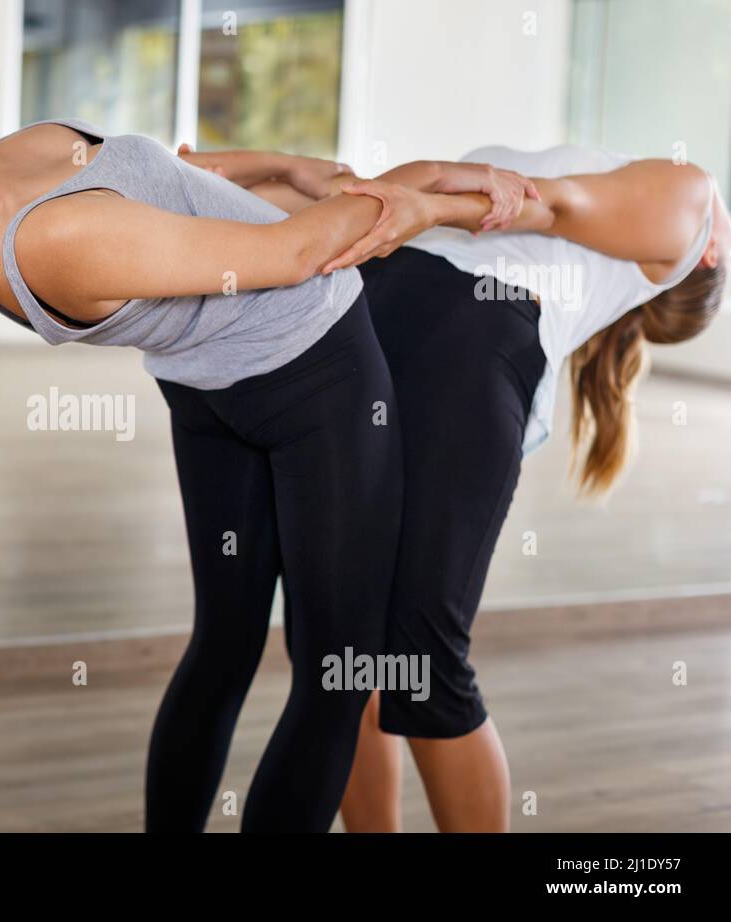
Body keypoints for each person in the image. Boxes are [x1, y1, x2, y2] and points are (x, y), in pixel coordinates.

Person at [0, 118, 533, 831]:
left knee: (226, 646)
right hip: (313, 374)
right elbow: (296, 254)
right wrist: (443, 205)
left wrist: (282, 167)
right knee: (338, 676)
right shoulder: (49, 241)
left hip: (207, 388)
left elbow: (158, 173)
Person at [185, 142, 727, 831]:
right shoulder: (608, 171)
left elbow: (547, 203)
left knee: (422, 661)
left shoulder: (689, 204)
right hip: (369, 304)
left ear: (708, 259)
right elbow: (374, 199)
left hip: (462, 335)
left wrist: (428, 200)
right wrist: (256, 170)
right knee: (342, 653)